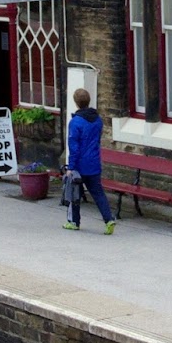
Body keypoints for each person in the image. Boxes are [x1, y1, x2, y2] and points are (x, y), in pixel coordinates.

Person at [63, 88, 115, 234]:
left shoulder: (76, 122)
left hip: (80, 165)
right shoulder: (97, 120)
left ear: (76, 102)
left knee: (75, 194)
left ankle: (74, 222)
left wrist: (70, 167)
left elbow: (74, 146)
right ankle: (109, 219)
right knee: (98, 193)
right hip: (94, 162)